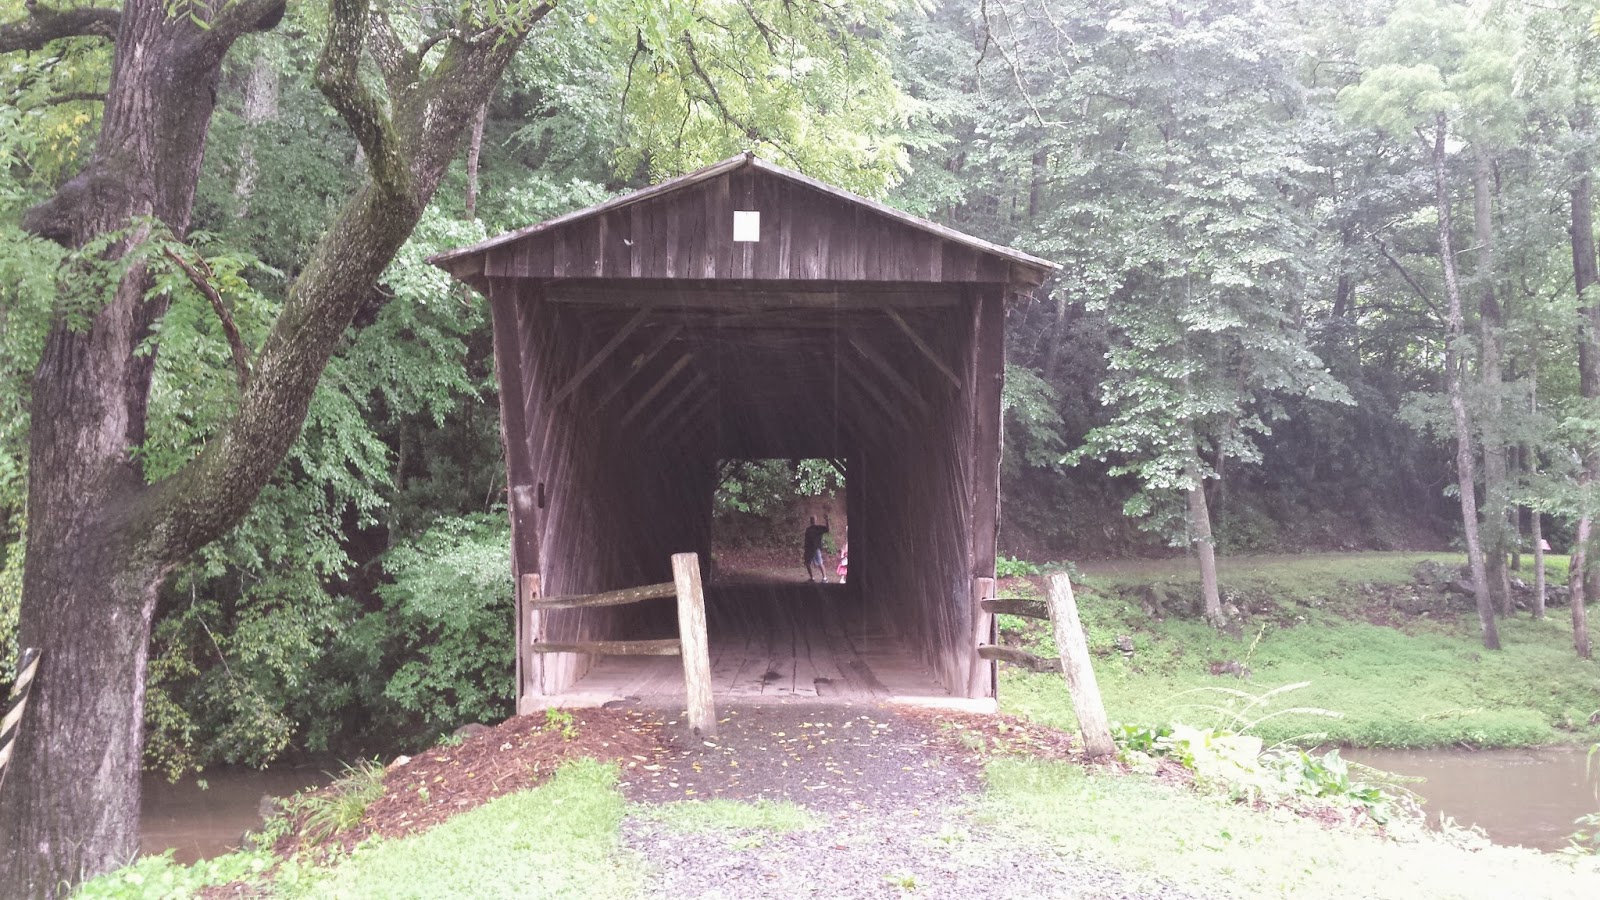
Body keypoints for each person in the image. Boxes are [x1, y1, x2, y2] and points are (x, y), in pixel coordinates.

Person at [802, 515, 830, 582]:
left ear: (815, 520)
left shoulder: (818, 528)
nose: (812, 520)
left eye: (813, 519)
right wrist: (805, 548)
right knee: (807, 563)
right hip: (809, 549)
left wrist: (827, 520)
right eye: (812, 519)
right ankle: (812, 578)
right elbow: (806, 540)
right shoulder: (808, 529)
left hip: (816, 548)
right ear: (810, 521)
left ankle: (825, 578)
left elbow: (827, 529)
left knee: (820, 563)